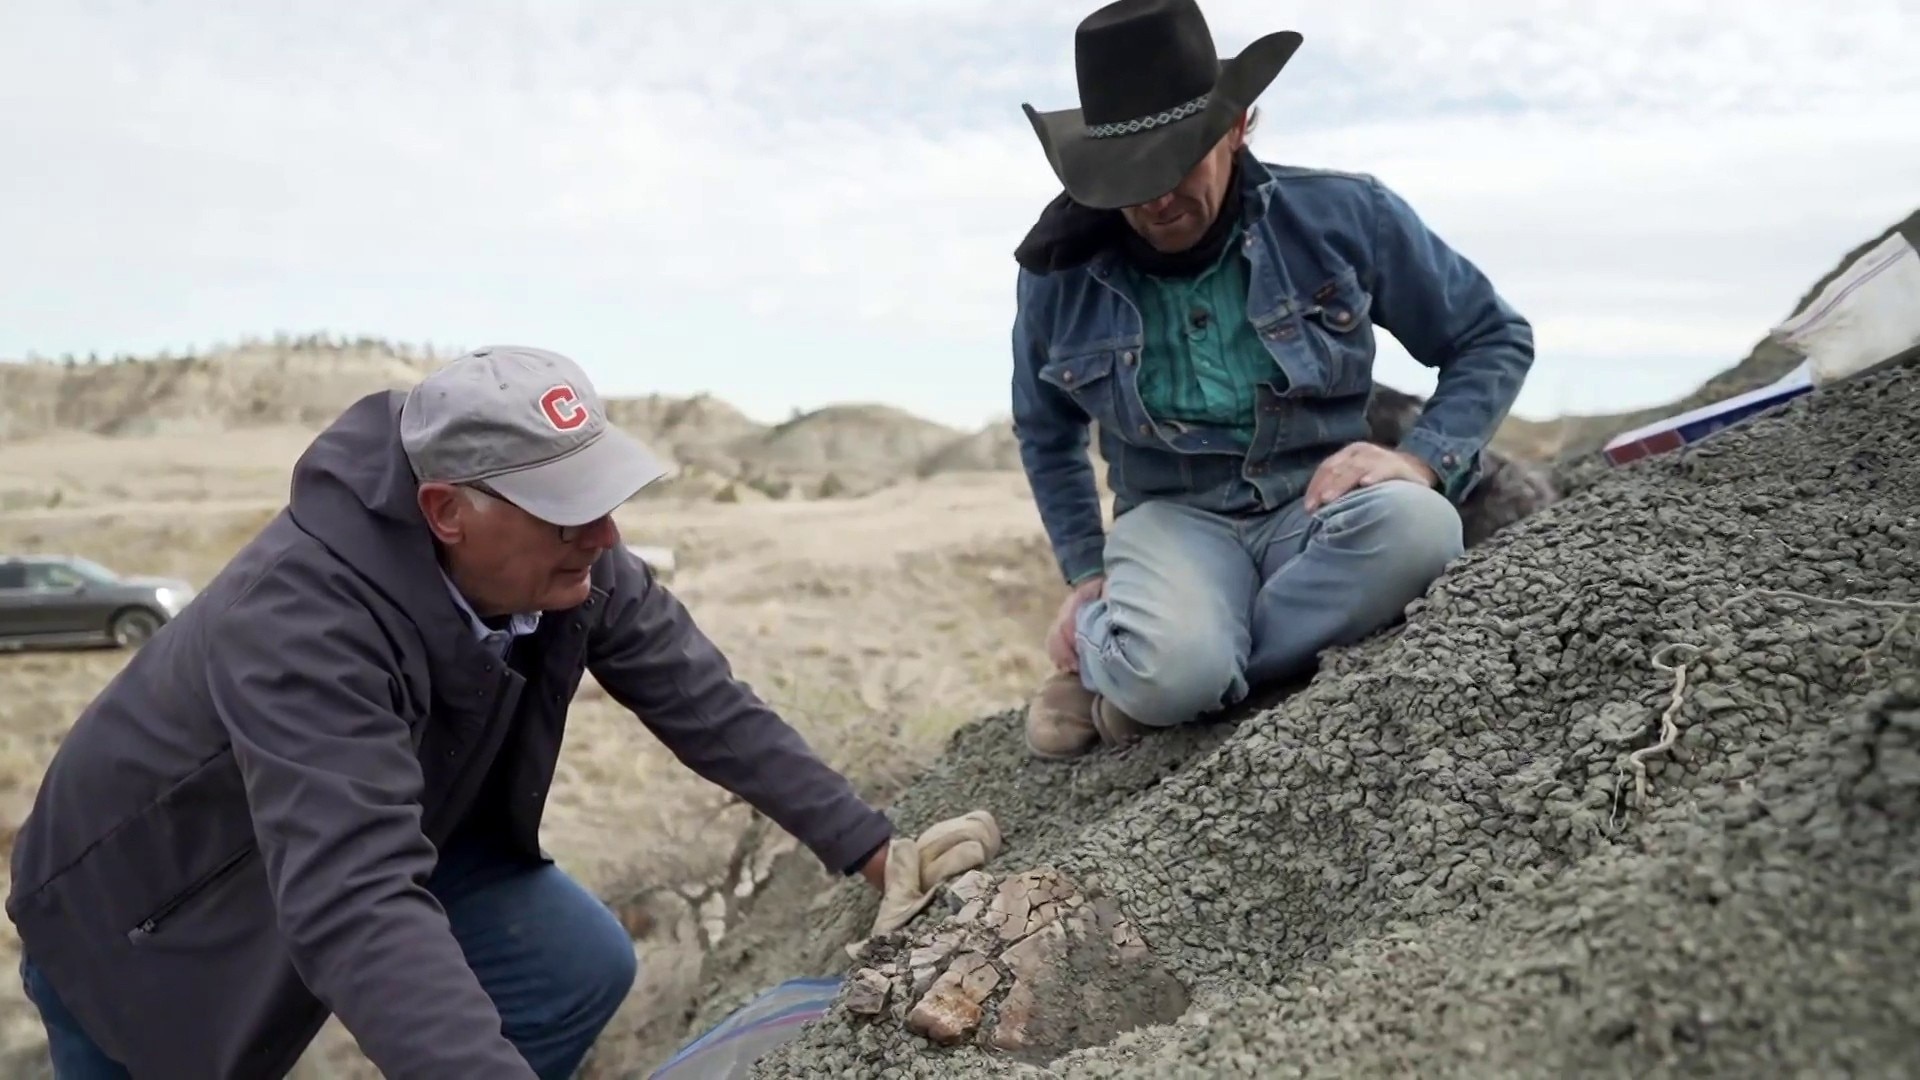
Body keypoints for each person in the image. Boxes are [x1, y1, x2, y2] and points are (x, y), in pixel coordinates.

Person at [5, 346, 907, 1079]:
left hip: (389, 827)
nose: (605, 536)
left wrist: (872, 845)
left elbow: (706, 702)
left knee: (571, 966)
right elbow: (354, 901)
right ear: (447, 512)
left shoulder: (576, 564)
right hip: (156, 905)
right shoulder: (303, 623)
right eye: (567, 513)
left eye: (604, 498)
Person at [1010, 0, 1536, 759]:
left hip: (1315, 508)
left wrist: (1420, 459)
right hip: (1172, 521)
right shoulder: (1059, 276)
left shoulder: (1347, 214)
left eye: (1176, 163)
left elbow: (1492, 334)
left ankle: (1153, 679)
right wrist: (1088, 572)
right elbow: (1044, 427)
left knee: (1421, 527)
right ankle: (1145, 655)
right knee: (1180, 663)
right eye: (1132, 176)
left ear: (1237, 126)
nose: (1156, 199)